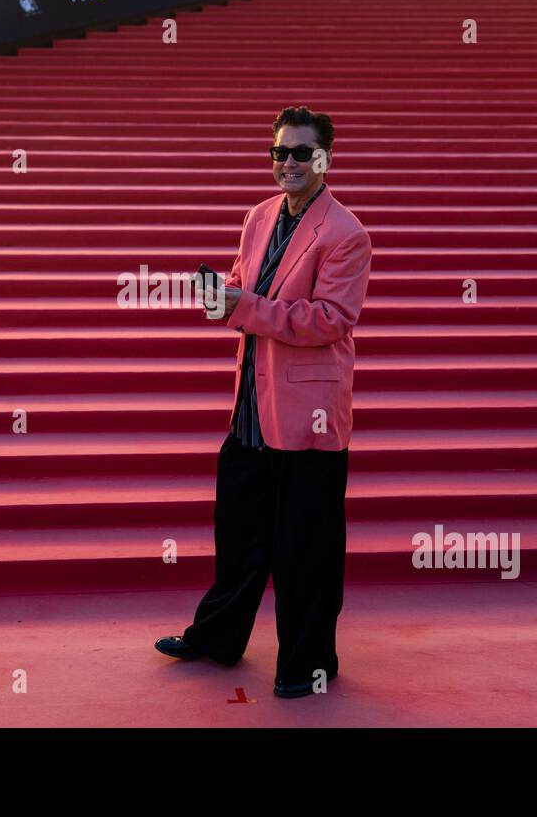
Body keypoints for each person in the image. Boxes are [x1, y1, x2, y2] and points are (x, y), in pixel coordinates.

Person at [155, 105, 373, 698]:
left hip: (310, 418)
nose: (288, 163)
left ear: (325, 158)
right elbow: (242, 283)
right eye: (279, 152)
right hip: (252, 404)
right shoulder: (256, 216)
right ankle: (218, 637)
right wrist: (220, 296)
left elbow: (329, 319)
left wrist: (242, 307)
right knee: (239, 533)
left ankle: (309, 664)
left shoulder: (347, 233)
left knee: (306, 548)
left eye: (301, 152)